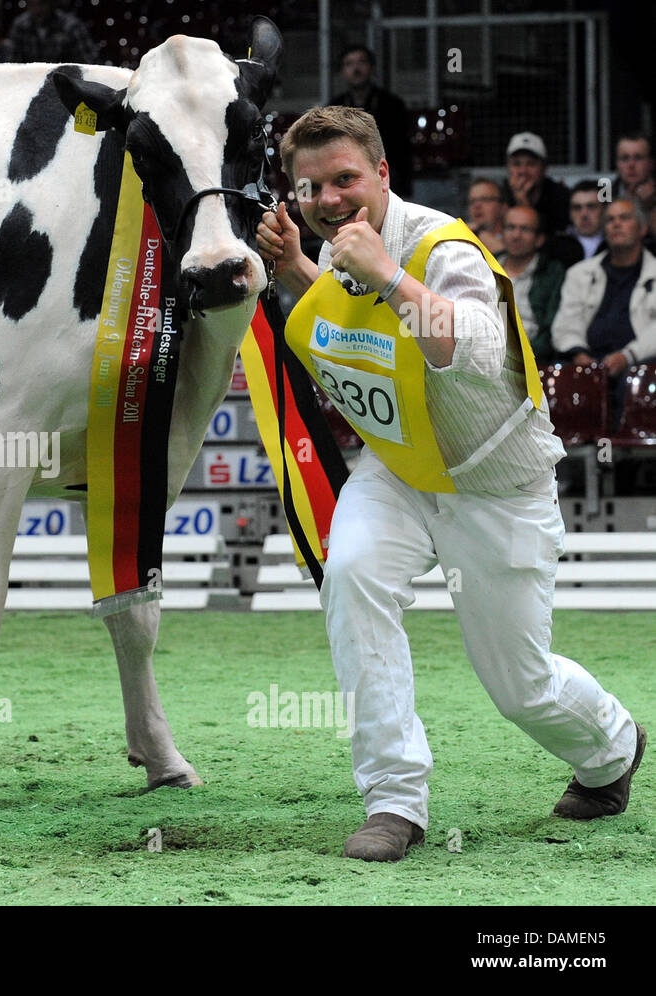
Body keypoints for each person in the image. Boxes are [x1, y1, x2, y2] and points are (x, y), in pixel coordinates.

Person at [256, 105, 643, 863]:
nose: (330, 199)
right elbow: (345, 328)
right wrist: (297, 269)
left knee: (520, 686)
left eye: (345, 179)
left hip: (495, 484)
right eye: (310, 189)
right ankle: (394, 800)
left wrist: (388, 275)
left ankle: (612, 748)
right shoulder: (337, 250)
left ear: (383, 175)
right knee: (353, 575)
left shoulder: (440, 244)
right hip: (399, 470)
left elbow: (471, 345)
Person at [551, 197, 656, 396]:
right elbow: (566, 322)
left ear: (642, 229)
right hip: (587, 361)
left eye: (624, 218)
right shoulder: (579, 273)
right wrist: (579, 354)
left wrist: (628, 356)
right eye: (610, 220)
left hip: (639, 363)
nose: (616, 224)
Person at [329, 45, 413, 198]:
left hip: (386, 174)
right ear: (342, 71)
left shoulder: (393, 104)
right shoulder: (333, 107)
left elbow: (402, 151)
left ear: (372, 68)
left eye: (361, 62)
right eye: (349, 64)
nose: (356, 68)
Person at [497, 206, 565, 360]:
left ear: (539, 239)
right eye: (510, 227)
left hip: (532, 359)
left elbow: (551, 328)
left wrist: (524, 357)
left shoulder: (552, 272)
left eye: (525, 229)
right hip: (485, 355)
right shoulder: (486, 264)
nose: (516, 235)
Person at [501, 132, 571, 236]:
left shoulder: (561, 197)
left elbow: (543, 242)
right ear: (508, 168)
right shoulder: (499, 196)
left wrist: (524, 203)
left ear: (544, 168)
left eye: (531, 164)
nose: (523, 171)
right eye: (516, 164)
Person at [7, 0, 98, 65]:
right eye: (32, 4)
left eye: (41, 4)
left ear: (51, 3)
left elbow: (88, 63)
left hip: (64, 83)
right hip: (30, 83)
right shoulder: (20, 26)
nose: (37, 10)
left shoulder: (71, 26)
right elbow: (14, 64)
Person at [612, 132, 655, 214]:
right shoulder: (604, 196)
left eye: (638, 158)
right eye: (625, 158)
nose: (631, 165)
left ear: (651, 163)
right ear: (617, 164)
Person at [566, 179, 606, 261]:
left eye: (591, 206)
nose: (584, 214)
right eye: (577, 208)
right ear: (570, 213)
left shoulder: (616, 244)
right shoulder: (557, 246)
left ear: (604, 210)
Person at [466, 177, 507, 255]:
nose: (476, 205)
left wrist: (478, 233)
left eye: (485, 199)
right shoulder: (463, 240)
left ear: (503, 207)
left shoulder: (515, 236)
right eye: (472, 201)